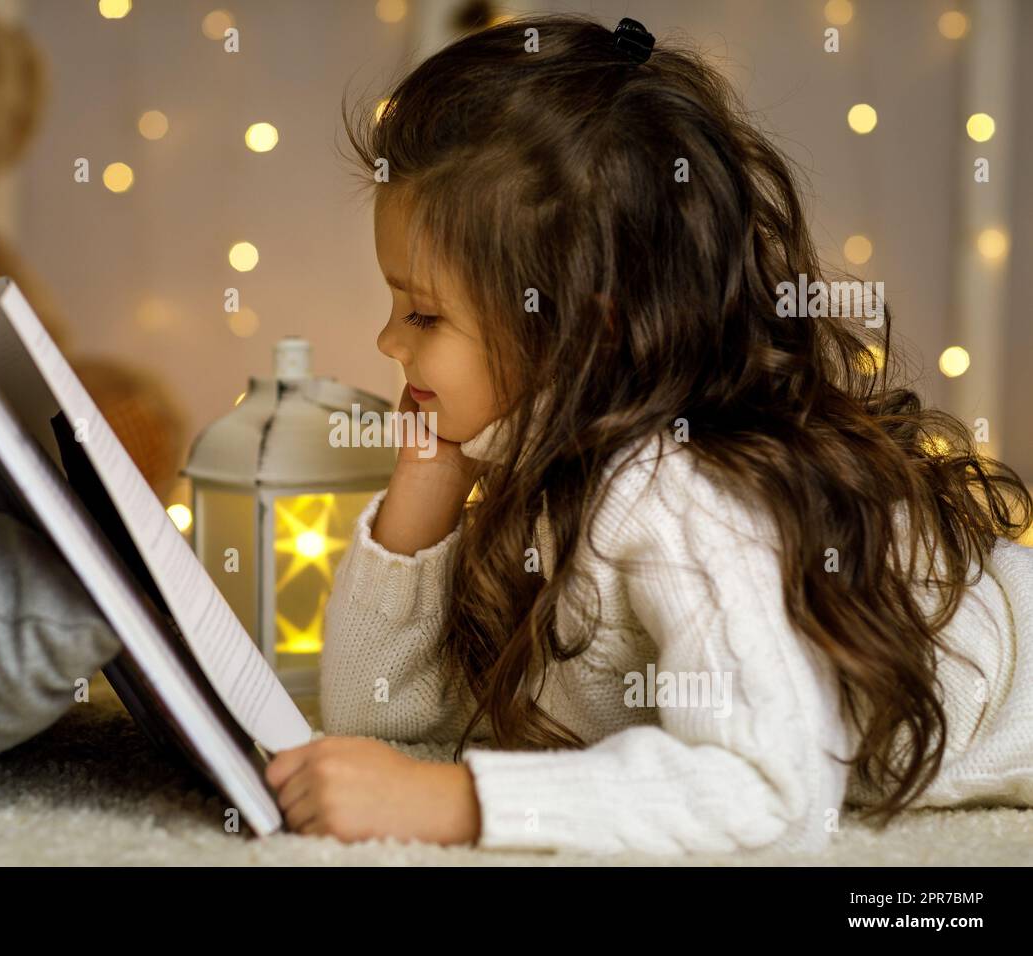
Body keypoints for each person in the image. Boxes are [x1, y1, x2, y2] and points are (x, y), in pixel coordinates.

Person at [264, 14, 1033, 857]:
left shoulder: (682, 495)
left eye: (423, 313)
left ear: (585, 332)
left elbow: (772, 789)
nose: (387, 342)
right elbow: (382, 717)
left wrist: (460, 804)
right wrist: (423, 501)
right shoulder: (547, 465)